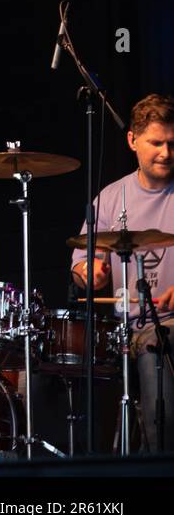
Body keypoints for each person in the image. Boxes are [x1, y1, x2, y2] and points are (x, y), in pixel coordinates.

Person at [72, 93, 174, 452]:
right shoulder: (111, 198)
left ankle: (160, 460)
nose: (166, 152)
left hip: (167, 325)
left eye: (172, 143)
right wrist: (89, 270)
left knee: (153, 342)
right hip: (118, 329)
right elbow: (83, 263)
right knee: (50, 359)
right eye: (156, 143)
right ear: (132, 140)